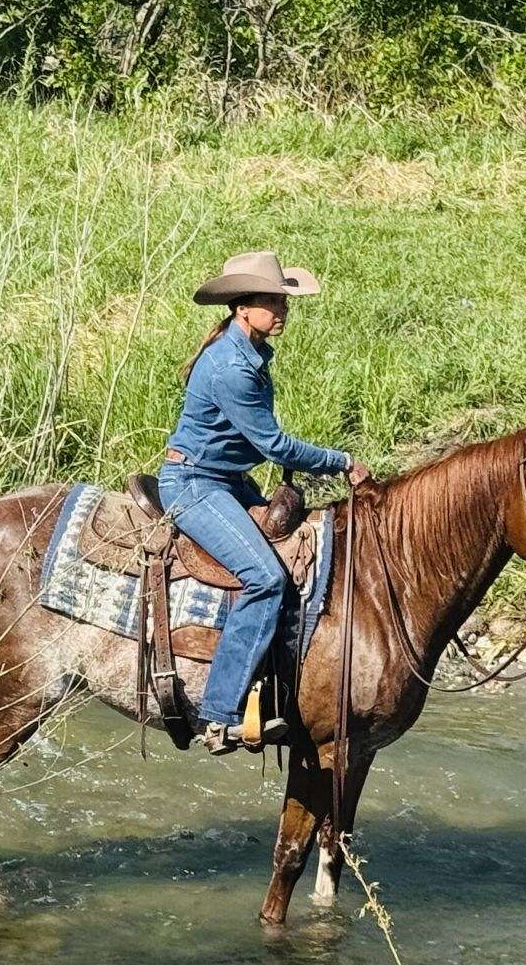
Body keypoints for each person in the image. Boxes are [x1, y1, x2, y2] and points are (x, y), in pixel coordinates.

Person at [158, 251, 371, 754]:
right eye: (270, 301)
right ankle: (220, 713)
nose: (281, 309)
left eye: (282, 300)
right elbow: (272, 444)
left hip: (227, 479)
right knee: (266, 577)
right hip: (195, 484)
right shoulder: (232, 367)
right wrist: (340, 461)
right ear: (241, 308)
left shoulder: (249, 352)